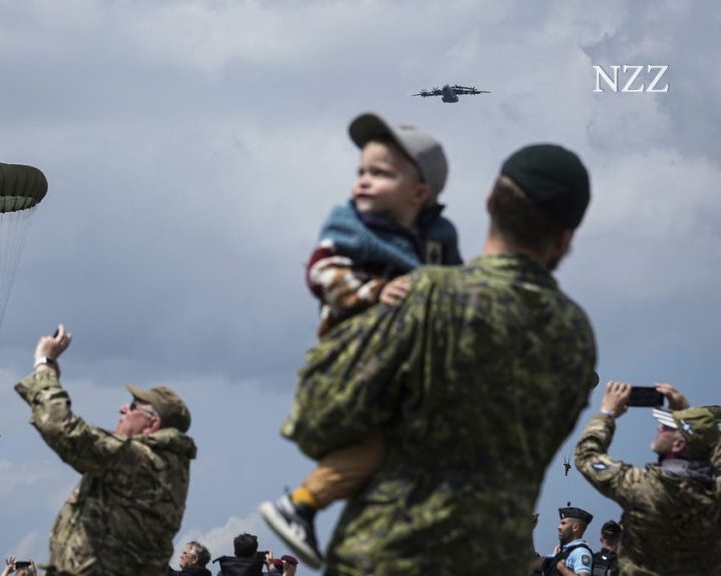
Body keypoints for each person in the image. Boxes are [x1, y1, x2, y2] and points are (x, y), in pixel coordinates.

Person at [281, 143, 597, 575]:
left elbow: (316, 417)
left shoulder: (427, 293)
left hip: (389, 555)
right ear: (564, 237)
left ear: (489, 205)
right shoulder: (576, 335)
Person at [261, 112, 461, 567]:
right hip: (354, 358)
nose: (364, 183)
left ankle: (314, 509)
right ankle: (302, 504)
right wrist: (373, 290)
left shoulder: (438, 237)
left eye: (381, 173)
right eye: (361, 172)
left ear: (420, 194)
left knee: (387, 453)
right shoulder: (349, 225)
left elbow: (457, 286)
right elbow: (321, 272)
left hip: (407, 369)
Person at [15, 325, 197, 575]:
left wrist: (43, 365)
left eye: (134, 406)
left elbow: (65, 430)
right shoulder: (164, 464)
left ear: (152, 424)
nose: (123, 408)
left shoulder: (141, 461)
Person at [575, 381, 721, 575]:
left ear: (678, 445)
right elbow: (713, 455)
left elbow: (587, 456)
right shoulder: (715, 496)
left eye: (668, 427)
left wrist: (607, 413)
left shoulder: (643, 487)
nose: (660, 427)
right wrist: (689, 415)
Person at [533, 507, 594, 576]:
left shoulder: (580, 552)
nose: (559, 527)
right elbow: (533, 564)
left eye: (563, 523)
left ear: (575, 527)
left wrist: (563, 569)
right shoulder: (561, 551)